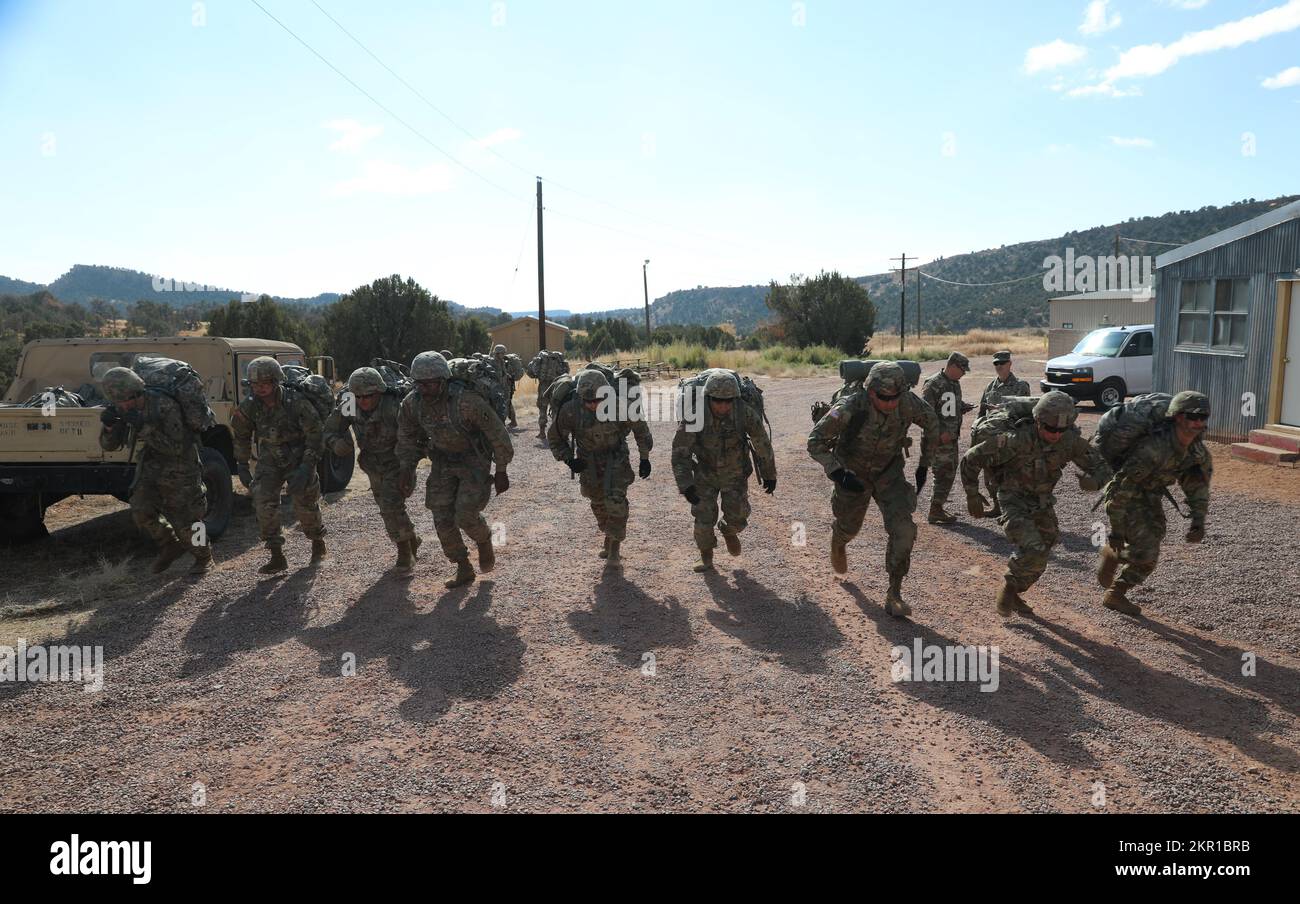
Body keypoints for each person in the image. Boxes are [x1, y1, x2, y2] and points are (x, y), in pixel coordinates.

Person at [960, 391, 1111, 616]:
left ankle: (1016, 593)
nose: (1055, 435)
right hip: (1012, 499)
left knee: (1047, 545)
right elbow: (971, 459)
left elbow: (1101, 466)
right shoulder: (1014, 440)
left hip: (1042, 502)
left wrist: (1094, 481)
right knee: (1033, 548)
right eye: (1050, 429)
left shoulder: (1068, 441)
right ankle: (1009, 587)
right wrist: (972, 494)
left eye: (1061, 429)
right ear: (1038, 421)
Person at [808, 361, 940, 617]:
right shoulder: (849, 406)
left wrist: (924, 464)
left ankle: (894, 593)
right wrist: (838, 473)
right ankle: (839, 539)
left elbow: (932, 423)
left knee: (904, 529)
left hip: (889, 474)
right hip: (853, 474)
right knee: (849, 526)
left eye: (895, 397)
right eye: (884, 398)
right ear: (870, 392)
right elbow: (815, 441)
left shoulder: (907, 402)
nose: (891, 403)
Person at [396, 351, 514, 589]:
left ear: (444, 380)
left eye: (431, 383)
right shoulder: (411, 404)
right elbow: (407, 438)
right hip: (442, 461)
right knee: (441, 515)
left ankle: (484, 539)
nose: (425, 389)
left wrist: (501, 469)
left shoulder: (467, 401)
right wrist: (407, 468)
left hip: (474, 460)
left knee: (465, 514)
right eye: (420, 384)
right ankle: (462, 566)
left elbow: (497, 434)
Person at [1097, 390, 1213, 616]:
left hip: (1151, 496)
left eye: (1203, 417)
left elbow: (1197, 487)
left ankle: (1116, 592)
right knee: (1148, 551)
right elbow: (1120, 490)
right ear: (1178, 417)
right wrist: (1117, 532)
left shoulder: (1196, 451)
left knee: (1153, 543)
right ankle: (1114, 558)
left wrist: (1198, 520)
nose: (1198, 422)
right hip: (1128, 498)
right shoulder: (1154, 448)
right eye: (1192, 416)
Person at [98, 366, 213, 575]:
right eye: (117, 402)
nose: (122, 405)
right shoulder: (124, 408)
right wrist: (109, 427)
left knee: (189, 520)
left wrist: (142, 426)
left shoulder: (164, 405)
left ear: (136, 393)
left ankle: (204, 557)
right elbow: (109, 446)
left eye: (124, 400)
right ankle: (169, 544)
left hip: (181, 467)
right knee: (140, 509)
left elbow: (177, 447)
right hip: (152, 465)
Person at [671, 371, 776, 573]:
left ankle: (728, 531)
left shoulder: (743, 413)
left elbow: (761, 442)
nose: (723, 406)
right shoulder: (695, 415)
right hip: (705, 475)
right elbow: (680, 452)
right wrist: (685, 485)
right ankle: (706, 558)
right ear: (709, 397)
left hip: (735, 474)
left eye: (728, 401)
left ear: (734, 399)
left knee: (738, 517)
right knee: (703, 517)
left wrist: (770, 473)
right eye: (718, 401)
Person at [547, 369, 652, 565]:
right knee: (597, 505)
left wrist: (644, 458)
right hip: (588, 463)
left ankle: (614, 548)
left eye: (597, 400)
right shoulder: (570, 410)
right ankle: (609, 534)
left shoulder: (620, 406)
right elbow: (554, 438)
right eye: (588, 402)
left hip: (617, 458)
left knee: (616, 502)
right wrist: (569, 459)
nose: (593, 405)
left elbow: (641, 430)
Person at [231, 356, 326, 574]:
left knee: (305, 502)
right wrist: (242, 464)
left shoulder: (296, 401)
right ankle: (276, 555)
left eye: (264, 384)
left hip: (299, 455)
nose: (259, 389)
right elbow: (242, 435)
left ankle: (317, 542)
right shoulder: (250, 405)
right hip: (270, 457)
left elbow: (315, 434)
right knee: (262, 501)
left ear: (275, 382)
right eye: (255, 385)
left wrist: (307, 466)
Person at [323, 367, 421, 575]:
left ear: (379, 392)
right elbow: (331, 428)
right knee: (388, 505)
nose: (363, 400)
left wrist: (409, 466)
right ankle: (412, 538)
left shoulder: (393, 406)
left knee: (390, 504)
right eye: (358, 396)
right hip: (372, 464)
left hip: (398, 461)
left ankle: (405, 551)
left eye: (369, 396)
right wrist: (336, 443)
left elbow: (414, 436)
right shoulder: (350, 404)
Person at [974, 350, 1033, 516]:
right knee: (989, 476)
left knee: (1011, 476)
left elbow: (1027, 414)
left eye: (1002, 363)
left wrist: (1006, 409)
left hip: (1011, 438)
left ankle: (1015, 510)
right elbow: (981, 413)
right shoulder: (989, 387)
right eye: (996, 364)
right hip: (991, 438)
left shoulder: (1021, 386)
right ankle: (997, 506)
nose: (999, 366)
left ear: (1010, 364)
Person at [920, 352, 972, 524]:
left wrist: (962, 407)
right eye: (962, 370)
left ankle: (937, 508)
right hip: (939, 439)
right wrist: (938, 434)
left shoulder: (954, 384)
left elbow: (947, 406)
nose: (963, 374)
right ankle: (935, 510)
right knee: (942, 473)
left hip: (951, 438)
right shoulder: (933, 384)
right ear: (953, 366)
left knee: (948, 472)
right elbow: (925, 414)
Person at [529, 349, 568, 440]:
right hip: (556, 386)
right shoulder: (558, 359)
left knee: (542, 410)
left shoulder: (542, 359)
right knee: (556, 410)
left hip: (544, 387)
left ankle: (542, 432)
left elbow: (532, 373)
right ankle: (558, 433)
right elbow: (566, 373)